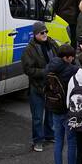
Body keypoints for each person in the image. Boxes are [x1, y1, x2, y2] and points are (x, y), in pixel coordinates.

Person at [44, 44, 79, 164]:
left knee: (58, 142)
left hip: (54, 108)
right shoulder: (71, 70)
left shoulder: (50, 67)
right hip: (68, 110)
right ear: (67, 57)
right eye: (72, 57)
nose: (73, 59)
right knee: (71, 143)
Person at [22, 22, 58, 151]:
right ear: (35, 34)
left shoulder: (52, 44)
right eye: (42, 33)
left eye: (46, 31)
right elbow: (28, 70)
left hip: (51, 86)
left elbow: (59, 58)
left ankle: (50, 135)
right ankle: (38, 140)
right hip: (37, 87)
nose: (45, 34)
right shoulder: (29, 49)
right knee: (37, 116)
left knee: (50, 113)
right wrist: (44, 72)